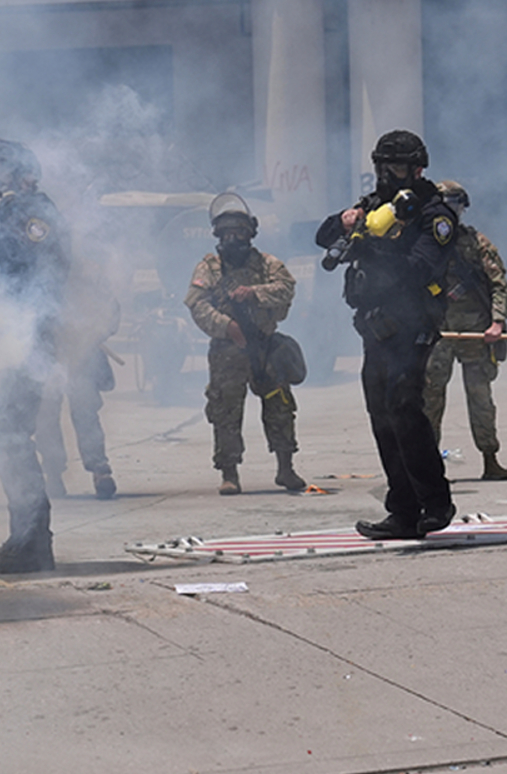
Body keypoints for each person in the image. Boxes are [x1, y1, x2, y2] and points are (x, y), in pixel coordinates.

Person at [314, 129, 455, 540]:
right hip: (376, 325)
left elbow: (419, 268)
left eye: (395, 167)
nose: (388, 175)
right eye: (382, 166)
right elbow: (323, 237)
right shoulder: (376, 206)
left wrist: (371, 249)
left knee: (405, 405)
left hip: (414, 322)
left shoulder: (434, 213)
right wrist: (346, 223)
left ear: (416, 169)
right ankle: (404, 510)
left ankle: (437, 502)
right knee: (382, 413)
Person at [0, 132, 70, 573]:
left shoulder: (34, 212)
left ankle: (32, 542)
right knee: (5, 433)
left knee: (12, 434)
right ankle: (28, 538)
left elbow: (34, 265)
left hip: (29, 336)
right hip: (4, 337)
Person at [185, 192, 306, 495]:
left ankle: (285, 468)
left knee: (280, 406)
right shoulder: (209, 268)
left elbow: (286, 289)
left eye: (239, 231)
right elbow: (197, 304)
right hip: (228, 351)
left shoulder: (267, 264)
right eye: (226, 232)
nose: (232, 237)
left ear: (250, 233)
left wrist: (254, 294)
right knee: (225, 410)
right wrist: (227, 327)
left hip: (265, 346)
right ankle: (229, 473)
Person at [422, 180, 507, 481]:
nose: (452, 211)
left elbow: (498, 283)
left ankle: (490, 458)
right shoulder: (422, 242)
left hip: (475, 330)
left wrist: (497, 322)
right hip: (437, 332)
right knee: (430, 399)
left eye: (456, 204)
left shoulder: (476, 243)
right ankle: (430, 464)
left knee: (480, 398)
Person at [36, 266, 120, 499]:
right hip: (47, 356)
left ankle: (100, 470)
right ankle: (53, 473)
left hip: (82, 357)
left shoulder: (89, 276)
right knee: (46, 416)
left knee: (85, 414)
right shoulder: (36, 273)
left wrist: (91, 333)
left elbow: (111, 314)